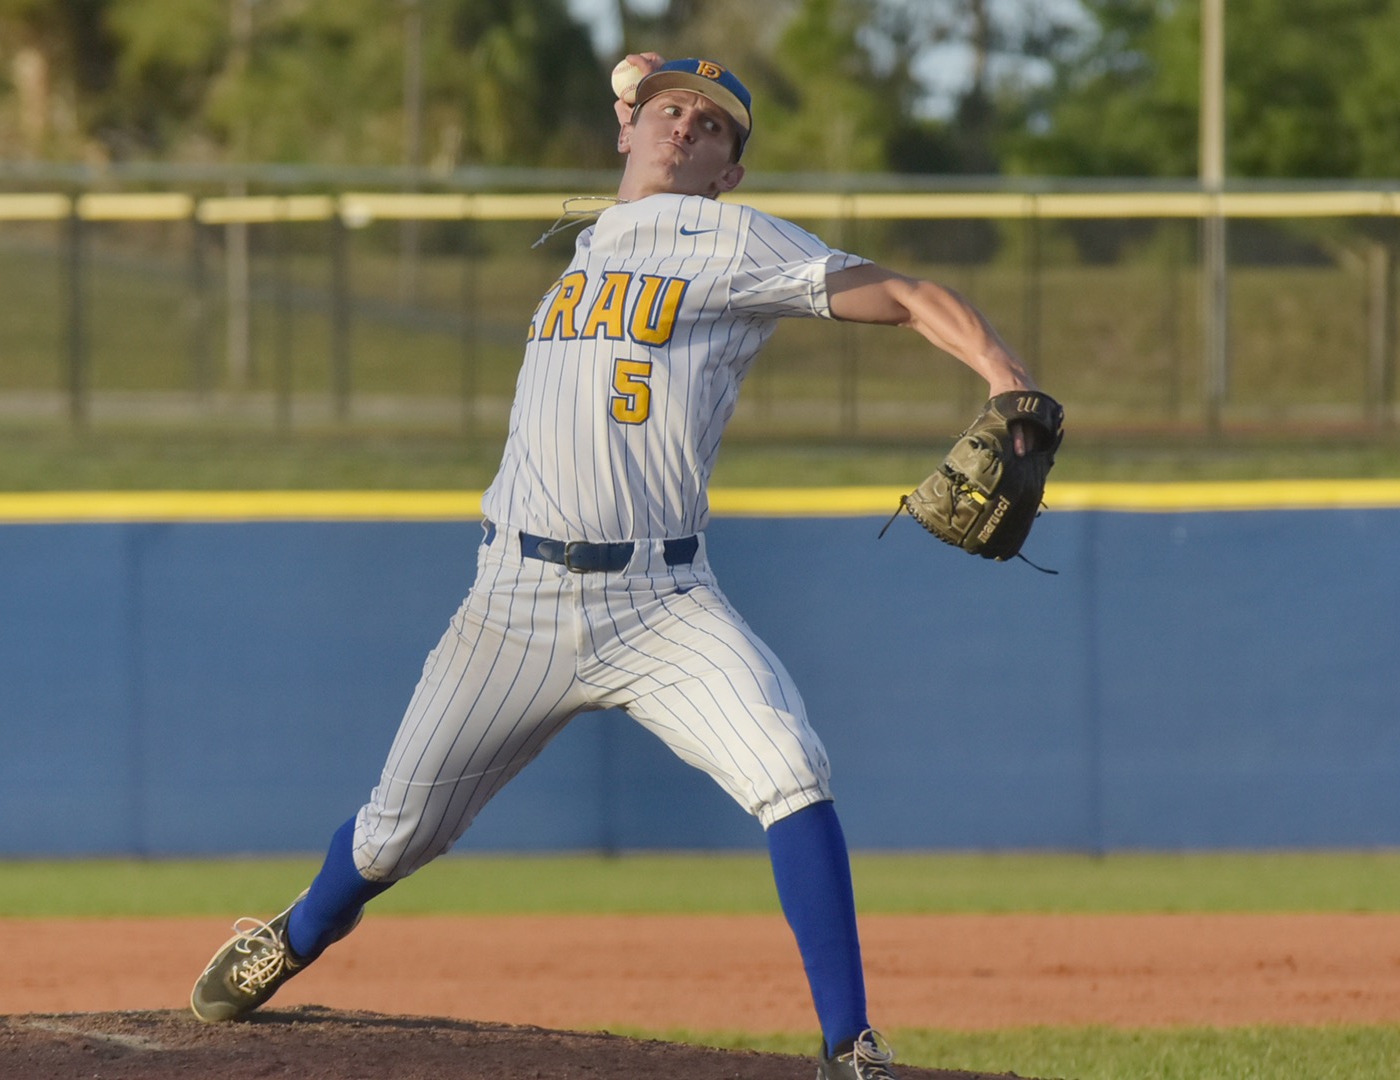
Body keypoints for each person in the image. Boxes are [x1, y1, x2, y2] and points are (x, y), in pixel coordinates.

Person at [189, 54, 1043, 1080]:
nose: (688, 128)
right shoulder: (593, 242)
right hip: (513, 606)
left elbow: (899, 294)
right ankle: (293, 935)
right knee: (391, 836)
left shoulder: (729, 238)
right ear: (627, 132)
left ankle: (849, 1042)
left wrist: (1007, 378)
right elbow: (636, 104)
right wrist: (637, 87)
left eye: (715, 127)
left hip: (662, 603)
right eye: (671, 114)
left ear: (731, 173)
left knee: (790, 767)